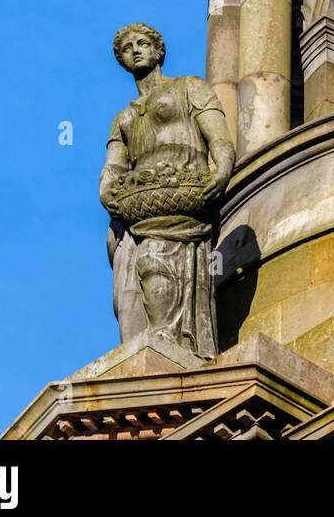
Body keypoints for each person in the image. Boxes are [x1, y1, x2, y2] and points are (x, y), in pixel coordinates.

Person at [99, 23, 234, 358]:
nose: (135, 50)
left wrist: (222, 169)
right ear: (122, 61)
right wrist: (107, 190)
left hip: (182, 198)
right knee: (130, 292)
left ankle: (167, 345)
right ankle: (150, 347)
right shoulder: (123, 118)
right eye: (127, 48)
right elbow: (113, 166)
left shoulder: (190, 88)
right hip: (141, 204)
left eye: (142, 43)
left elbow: (218, 137)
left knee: (153, 261)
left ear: (159, 51)